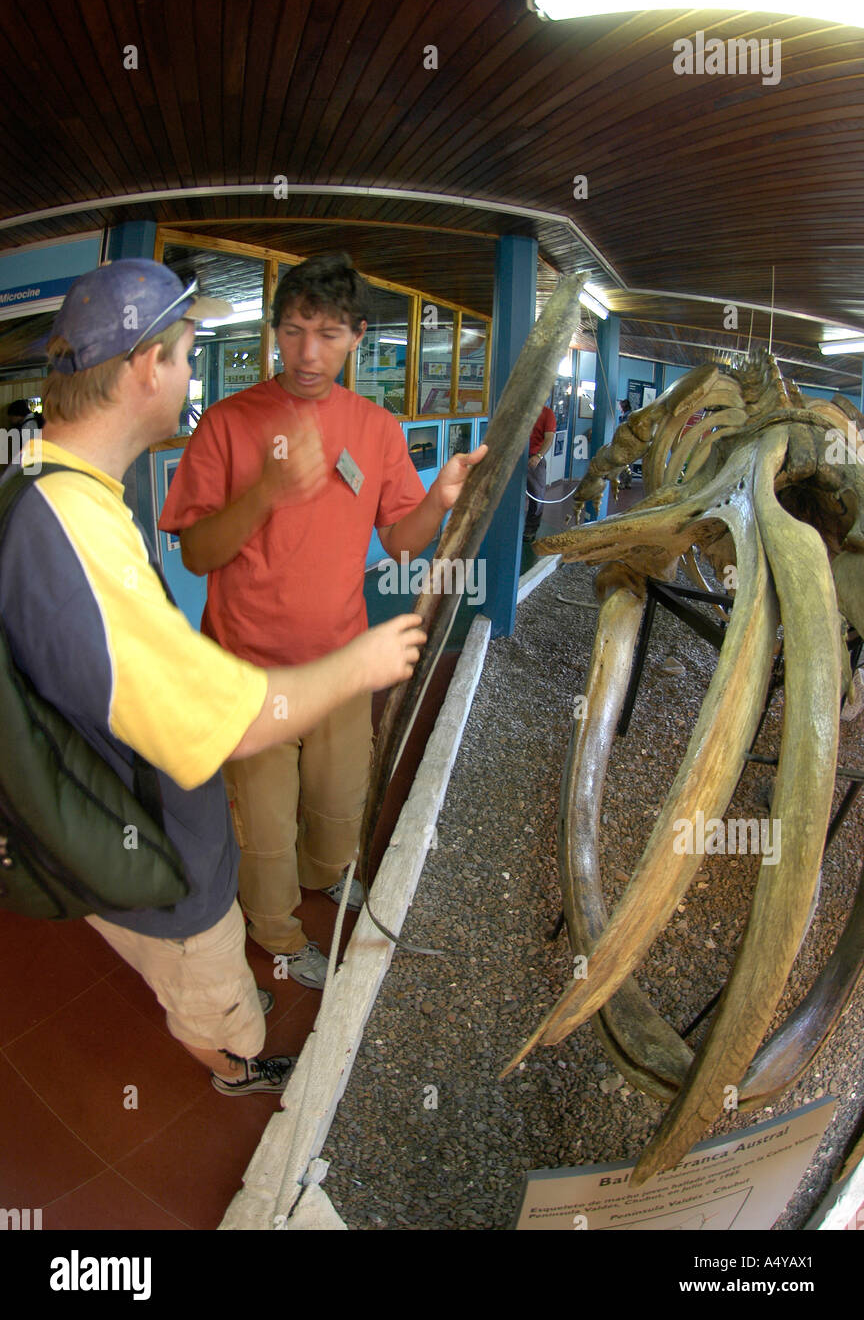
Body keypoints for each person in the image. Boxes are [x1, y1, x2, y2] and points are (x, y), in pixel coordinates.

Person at [0, 258, 426, 1096]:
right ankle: (239, 1060)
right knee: (217, 955)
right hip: (148, 835)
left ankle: (262, 965)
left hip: (98, 807)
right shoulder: (76, 526)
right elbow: (224, 719)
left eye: (327, 332)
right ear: (145, 369)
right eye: (188, 355)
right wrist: (363, 662)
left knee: (319, 812)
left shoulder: (47, 491)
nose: (193, 373)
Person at [160, 252, 486, 986]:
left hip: (341, 662)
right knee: (264, 827)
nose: (310, 353)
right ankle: (276, 932)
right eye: (296, 330)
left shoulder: (374, 427)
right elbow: (196, 554)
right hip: (247, 670)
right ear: (275, 331)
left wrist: (442, 498)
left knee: (340, 804)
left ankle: (330, 874)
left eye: (330, 333)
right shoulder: (227, 423)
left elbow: (401, 539)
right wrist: (267, 493)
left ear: (358, 336)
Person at [523, 399, 556, 543]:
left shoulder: (547, 413)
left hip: (534, 459)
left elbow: (549, 438)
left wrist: (538, 456)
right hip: (516, 457)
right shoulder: (521, 411)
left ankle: (530, 529)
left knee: (537, 496)